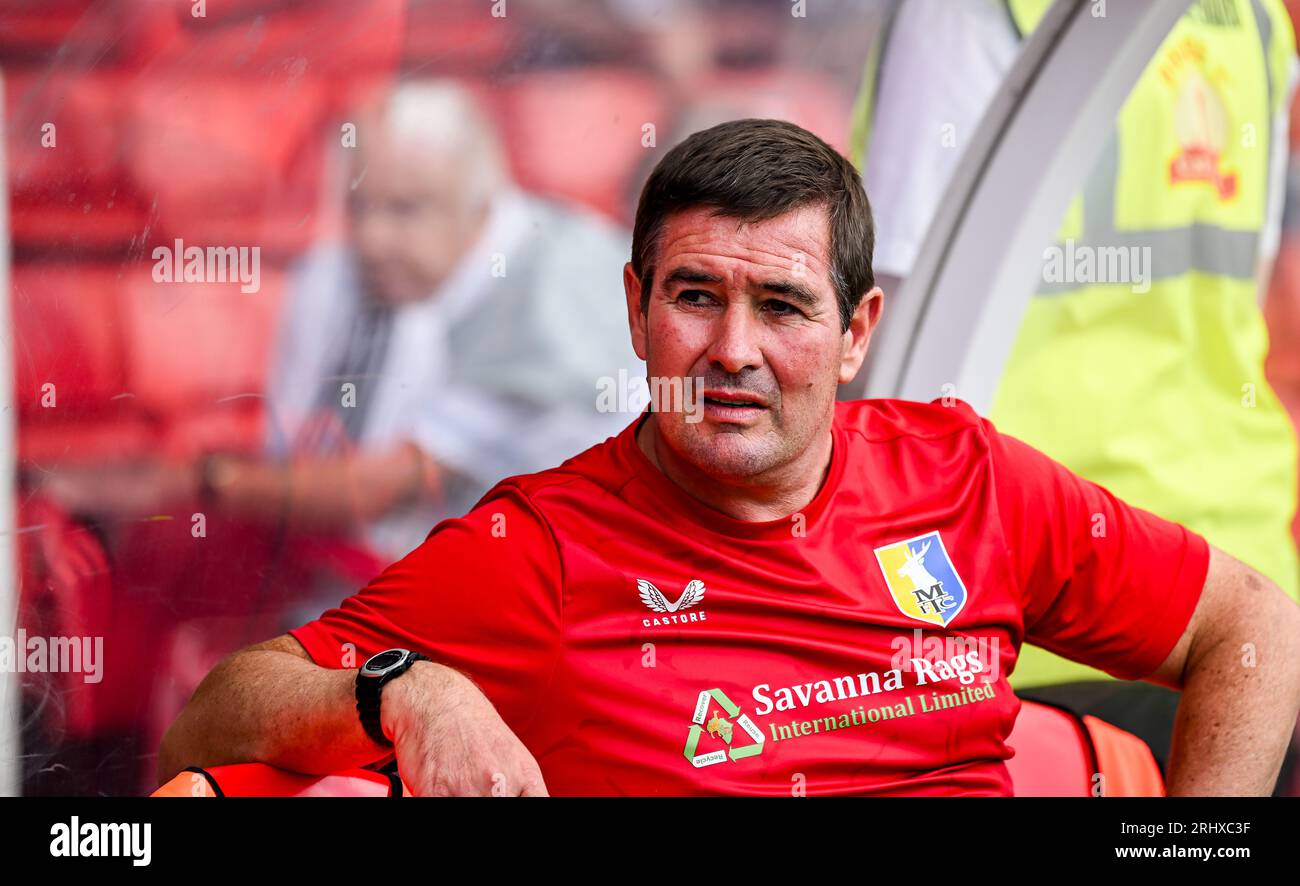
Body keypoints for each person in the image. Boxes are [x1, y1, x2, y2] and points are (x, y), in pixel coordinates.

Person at [160, 119, 1300, 796]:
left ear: (857, 332)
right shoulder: (541, 549)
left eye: (785, 305)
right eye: (694, 296)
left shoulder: (967, 474)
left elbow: (1253, 623)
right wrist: (407, 690)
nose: (733, 351)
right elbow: (210, 719)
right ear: (634, 307)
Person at [849, 0, 1300, 690]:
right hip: (1242, 596)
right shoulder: (1253, 15)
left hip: (1035, 600)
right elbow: (1249, 279)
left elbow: (884, 332)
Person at [45, 80, 642, 567]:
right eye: (360, 206)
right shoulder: (352, 274)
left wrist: (189, 482)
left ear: (480, 205)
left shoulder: (549, 304)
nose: (374, 238)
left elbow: (382, 487)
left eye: (407, 209)